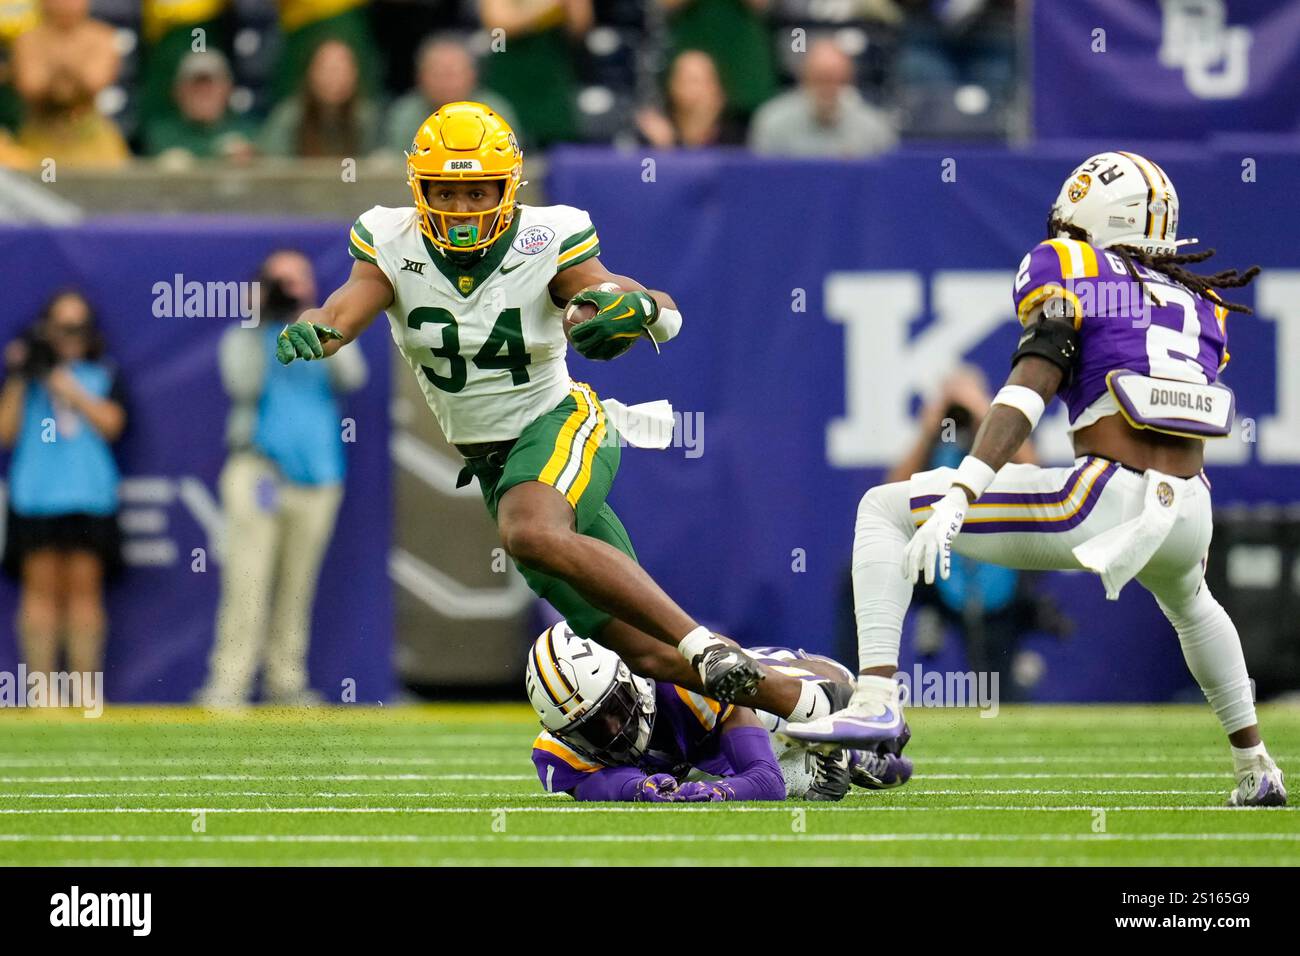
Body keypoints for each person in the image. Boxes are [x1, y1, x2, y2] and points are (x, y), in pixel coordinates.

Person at [274, 101, 848, 732]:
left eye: (478, 193)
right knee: (643, 648)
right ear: (420, 189)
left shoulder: (548, 236)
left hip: (560, 423)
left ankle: (704, 643)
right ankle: (816, 709)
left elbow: (632, 296)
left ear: (508, 188)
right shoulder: (391, 240)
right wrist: (315, 331)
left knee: (531, 533)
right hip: (499, 467)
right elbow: (339, 310)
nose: (462, 211)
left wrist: (635, 311)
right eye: (447, 192)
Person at [785, 151, 1287, 808]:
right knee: (1193, 606)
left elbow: (1033, 382)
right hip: (1189, 506)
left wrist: (965, 487)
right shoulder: (1202, 299)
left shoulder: (1071, 266)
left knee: (883, 509)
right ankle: (1256, 766)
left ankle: (876, 698)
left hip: (1106, 494)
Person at [197, 250, 368, 707]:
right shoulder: (244, 337)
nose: (290, 289)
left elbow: (353, 376)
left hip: (318, 475)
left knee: (298, 584)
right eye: (281, 282)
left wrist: (314, 326)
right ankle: (228, 683)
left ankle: (285, 682)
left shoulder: (326, 332)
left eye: (298, 280)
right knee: (247, 579)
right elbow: (243, 384)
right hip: (259, 470)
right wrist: (259, 321)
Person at [527, 621, 912, 801]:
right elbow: (590, 785)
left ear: (632, 677)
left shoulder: (685, 687)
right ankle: (817, 759)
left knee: (884, 762)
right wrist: (640, 789)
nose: (613, 731)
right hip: (705, 753)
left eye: (613, 708)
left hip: (776, 685)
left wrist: (717, 793)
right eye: (590, 729)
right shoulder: (558, 747)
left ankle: (847, 729)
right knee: (791, 773)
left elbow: (766, 781)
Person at [0, 290, 126, 680]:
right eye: (62, 327)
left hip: (87, 495)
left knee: (84, 593)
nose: (70, 335)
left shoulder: (102, 373)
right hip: (37, 496)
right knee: (39, 592)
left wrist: (60, 379)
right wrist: (24, 376)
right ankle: (42, 691)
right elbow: (5, 433)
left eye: (78, 327)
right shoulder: (26, 379)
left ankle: (85, 689)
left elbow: (111, 425)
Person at [10, 0, 128, 167]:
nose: (65, 5)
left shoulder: (103, 37)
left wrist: (54, 63)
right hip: (39, 137)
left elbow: (94, 82)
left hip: (93, 137)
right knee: (41, 184)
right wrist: (75, 62)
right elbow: (32, 86)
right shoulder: (27, 40)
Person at [748, 39, 897, 158]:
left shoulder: (875, 128)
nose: (828, 89)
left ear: (850, 82)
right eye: (820, 79)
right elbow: (761, 182)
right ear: (804, 79)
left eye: (837, 80)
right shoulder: (772, 121)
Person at [383, 36, 523, 155]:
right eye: (437, 73)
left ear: (473, 75)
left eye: (453, 73)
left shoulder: (495, 115)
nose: (445, 82)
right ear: (419, 77)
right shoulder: (404, 115)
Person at [478, 0, 588, 148]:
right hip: (510, 70)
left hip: (550, 72)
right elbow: (499, 25)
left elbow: (581, 25)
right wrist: (549, 6)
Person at [260, 39, 380, 158]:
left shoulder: (366, 118)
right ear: (311, 74)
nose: (336, 78)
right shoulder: (290, 117)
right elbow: (271, 166)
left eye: (344, 70)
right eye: (329, 70)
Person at [143, 50, 256, 161]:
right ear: (178, 91)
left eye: (210, 85)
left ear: (227, 89)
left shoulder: (248, 133)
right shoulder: (161, 134)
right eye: (196, 86)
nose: (203, 93)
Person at [635, 49, 743, 149]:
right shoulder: (655, 133)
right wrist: (663, 147)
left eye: (703, 81)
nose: (696, 90)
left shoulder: (736, 138)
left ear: (717, 88)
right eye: (688, 80)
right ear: (672, 87)